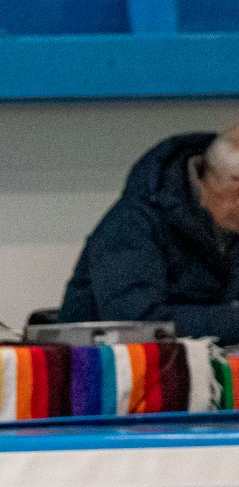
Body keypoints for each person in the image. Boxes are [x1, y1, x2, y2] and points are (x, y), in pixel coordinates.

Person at [59, 127, 239, 343]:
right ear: (225, 183)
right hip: (109, 369)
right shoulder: (132, 224)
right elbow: (138, 325)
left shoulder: (226, 224)